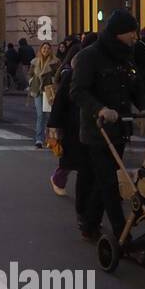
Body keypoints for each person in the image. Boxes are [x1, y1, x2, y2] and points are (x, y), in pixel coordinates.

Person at [72, 10, 145, 244]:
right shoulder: (90, 56)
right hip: (97, 131)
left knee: (104, 180)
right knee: (109, 183)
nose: (135, 37)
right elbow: (78, 91)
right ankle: (121, 234)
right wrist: (100, 110)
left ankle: (89, 224)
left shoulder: (126, 57)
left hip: (120, 130)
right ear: (119, 32)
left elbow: (136, 86)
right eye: (131, 32)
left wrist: (144, 107)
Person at [47, 36, 93, 224]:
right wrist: (53, 125)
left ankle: (88, 207)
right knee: (71, 158)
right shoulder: (72, 71)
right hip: (72, 123)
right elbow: (59, 102)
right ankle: (59, 179)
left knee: (85, 163)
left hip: (87, 123)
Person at [27, 40, 58, 147]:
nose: (46, 50)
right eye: (44, 48)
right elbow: (30, 74)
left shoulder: (55, 62)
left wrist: (53, 82)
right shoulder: (34, 62)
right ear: (40, 49)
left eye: (48, 48)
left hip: (49, 92)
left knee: (50, 116)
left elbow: (58, 76)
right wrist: (31, 82)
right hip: (37, 91)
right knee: (40, 115)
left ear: (50, 50)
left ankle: (50, 139)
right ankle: (39, 139)